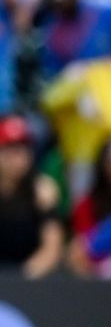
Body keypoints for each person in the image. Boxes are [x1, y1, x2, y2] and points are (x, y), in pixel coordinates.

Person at [0, 115, 63, 278]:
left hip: (30, 280)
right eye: (10, 150)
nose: (18, 157)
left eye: (23, 149)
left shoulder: (43, 191)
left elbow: (52, 247)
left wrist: (21, 279)